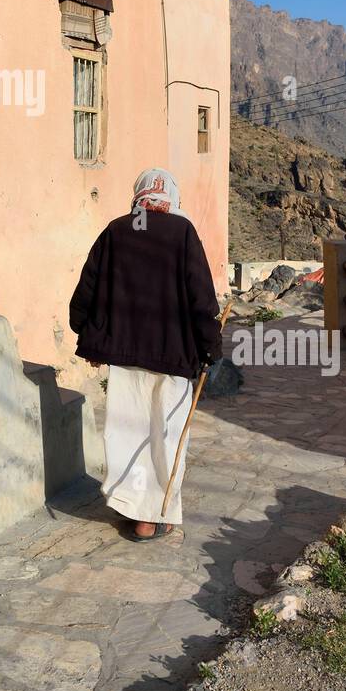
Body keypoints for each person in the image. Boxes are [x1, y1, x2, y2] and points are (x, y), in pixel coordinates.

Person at [69, 168, 222, 540]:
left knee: (126, 431)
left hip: (125, 357)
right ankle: (154, 515)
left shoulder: (116, 230)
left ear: (138, 195)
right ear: (171, 197)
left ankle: (133, 510)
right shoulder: (182, 232)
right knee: (164, 434)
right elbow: (201, 298)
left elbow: (86, 291)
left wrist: (88, 336)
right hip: (174, 357)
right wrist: (211, 347)